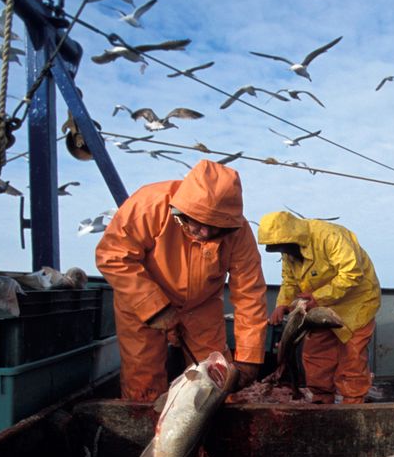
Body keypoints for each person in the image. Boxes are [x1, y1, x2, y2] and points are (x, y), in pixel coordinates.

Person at [96, 160, 267, 402]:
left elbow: (250, 294)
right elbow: (112, 255)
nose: (204, 233)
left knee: (216, 381)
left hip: (202, 308)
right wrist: (155, 309)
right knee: (142, 383)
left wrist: (249, 357)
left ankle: (209, 426)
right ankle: (148, 422)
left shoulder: (239, 233)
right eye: (197, 222)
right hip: (140, 302)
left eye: (214, 227)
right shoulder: (149, 204)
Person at [258, 210, 381, 404]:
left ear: (292, 238)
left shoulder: (331, 236)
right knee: (316, 354)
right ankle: (321, 400)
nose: (283, 252)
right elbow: (289, 281)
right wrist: (282, 304)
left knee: (352, 356)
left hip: (356, 304)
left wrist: (318, 297)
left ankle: (353, 404)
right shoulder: (289, 251)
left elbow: (352, 273)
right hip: (319, 306)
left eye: (282, 247)